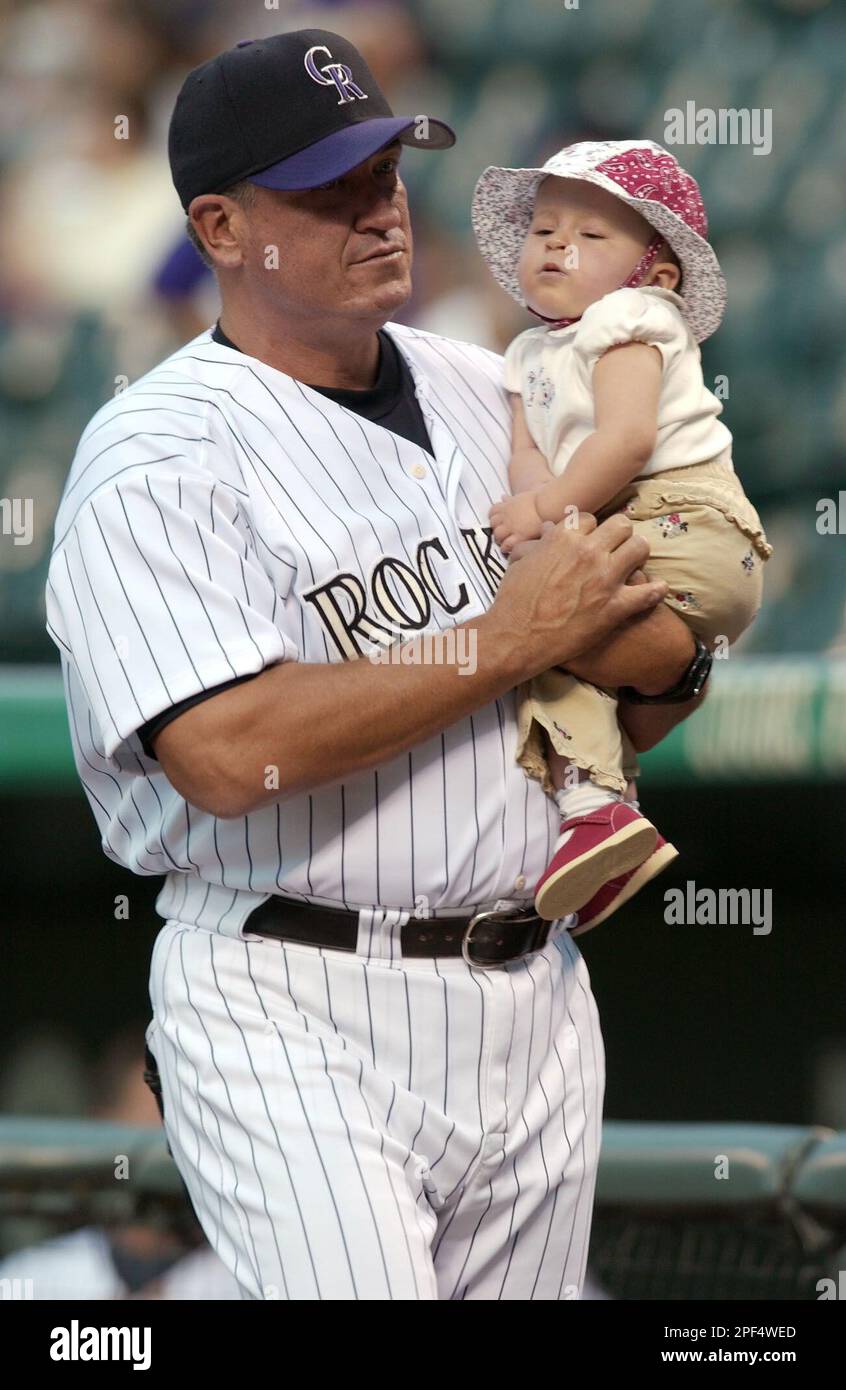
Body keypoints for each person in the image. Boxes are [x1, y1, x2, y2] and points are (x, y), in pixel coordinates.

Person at [45, 30, 705, 1301]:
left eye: (388, 173)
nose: (378, 209)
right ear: (222, 228)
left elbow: (644, 682)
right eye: (330, 188)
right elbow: (230, 753)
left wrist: (657, 664)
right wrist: (513, 635)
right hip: (291, 992)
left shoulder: (490, 385)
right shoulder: (158, 457)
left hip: (533, 990)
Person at [475, 141, 772, 927]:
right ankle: (599, 813)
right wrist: (543, 518)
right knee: (548, 627)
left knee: (540, 625)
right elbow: (526, 459)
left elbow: (626, 441)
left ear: (658, 273)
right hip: (637, 527)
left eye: (592, 235)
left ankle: (605, 801)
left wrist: (544, 516)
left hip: (688, 521)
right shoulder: (527, 352)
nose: (556, 245)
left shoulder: (629, 318)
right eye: (543, 229)